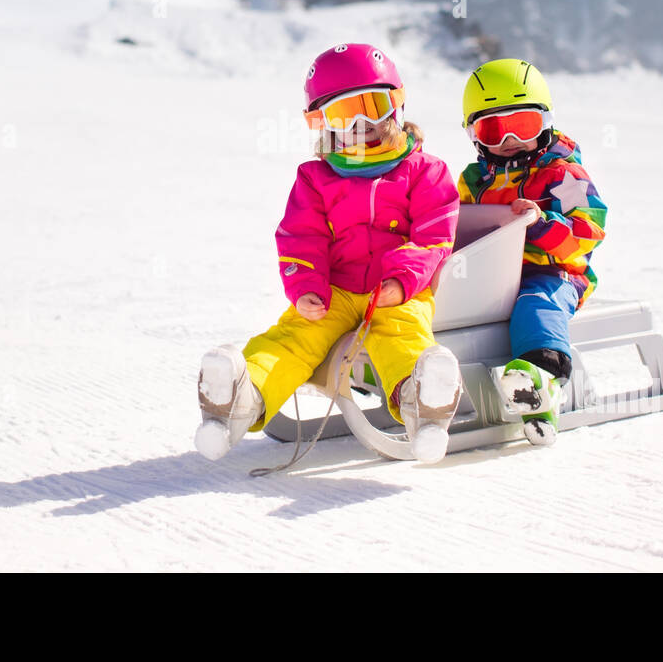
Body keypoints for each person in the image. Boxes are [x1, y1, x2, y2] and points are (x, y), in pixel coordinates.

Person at [195, 43, 463, 464]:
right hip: (334, 290)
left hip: (395, 293)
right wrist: (306, 287)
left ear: (394, 105)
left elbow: (434, 236)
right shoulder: (315, 178)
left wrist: (401, 282)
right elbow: (301, 236)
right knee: (296, 335)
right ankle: (243, 396)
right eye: (343, 114)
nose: (359, 124)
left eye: (370, 107)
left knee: (401, 336)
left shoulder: (426, 172)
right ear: (322, 123)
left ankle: (420, 402)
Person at [456, 58, 607, 445]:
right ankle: (415, 376)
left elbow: (588, 232)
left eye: (522, 125)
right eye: (493, 130)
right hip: (490, 277)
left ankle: (542, 379)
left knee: (534, 303)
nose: (509, 141)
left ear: (545, 122)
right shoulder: (474, 182)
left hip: (556, 275)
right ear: (475, 136)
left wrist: (542, 224)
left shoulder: (562, 174)